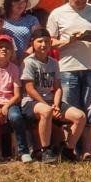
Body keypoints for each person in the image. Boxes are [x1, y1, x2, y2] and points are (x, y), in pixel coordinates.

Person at [47, 0, 91, 156]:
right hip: (67, 68)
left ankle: (86, 151)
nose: (79, 1)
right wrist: (68, 40)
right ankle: (69, 148)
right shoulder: (57, 13)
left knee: (90, 110)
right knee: (71, 110)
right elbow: (49, 42)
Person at [0, 33, 35, 165]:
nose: (4, 49)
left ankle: (23, 151)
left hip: (10, 102)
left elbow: (17, 95)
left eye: (7, 47)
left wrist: (6, 106)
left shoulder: (14, 69)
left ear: (11, 52)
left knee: (16, 117)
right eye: (0, 47)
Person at [22, 32, 73, 162]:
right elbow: (29, 88)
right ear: (32, 43)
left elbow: (58, 88)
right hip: (31, 101)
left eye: (46, 41)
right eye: (40, 41)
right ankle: (45, 150)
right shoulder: (28, 62)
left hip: (51, 101)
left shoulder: (54, 63)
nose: (43, 44)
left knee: (80, 116)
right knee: (46, 111)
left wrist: (55, 105)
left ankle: (67, 150)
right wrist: (47, 105)